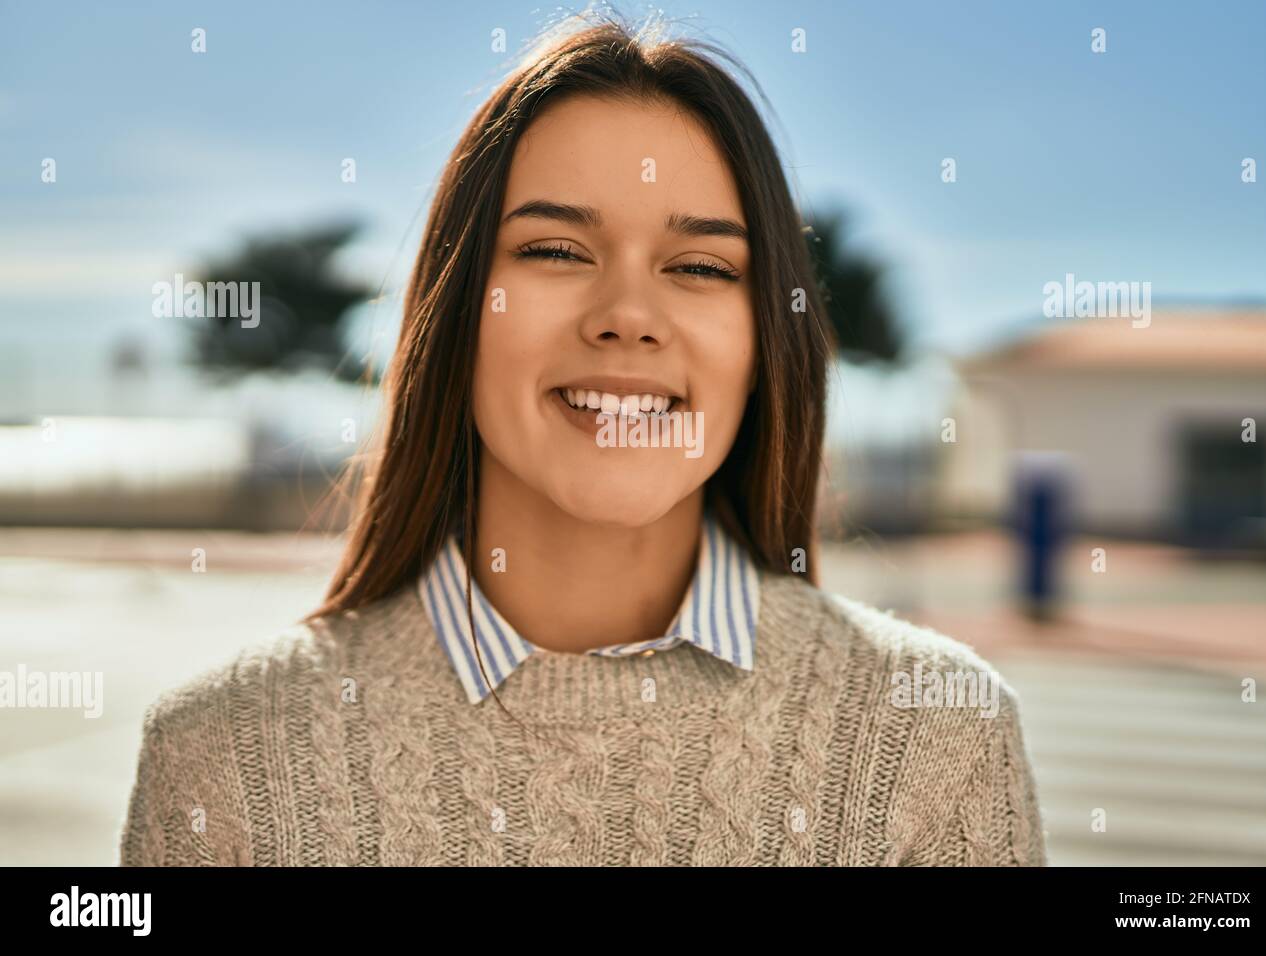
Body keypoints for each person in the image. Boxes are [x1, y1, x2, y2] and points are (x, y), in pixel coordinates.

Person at [120, 13, 1047, 867]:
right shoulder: (221, 754)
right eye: (557, 251)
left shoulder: (937, 734)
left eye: (699, 266)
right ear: (457, 315)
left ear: (768, 338)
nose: (629, 316)